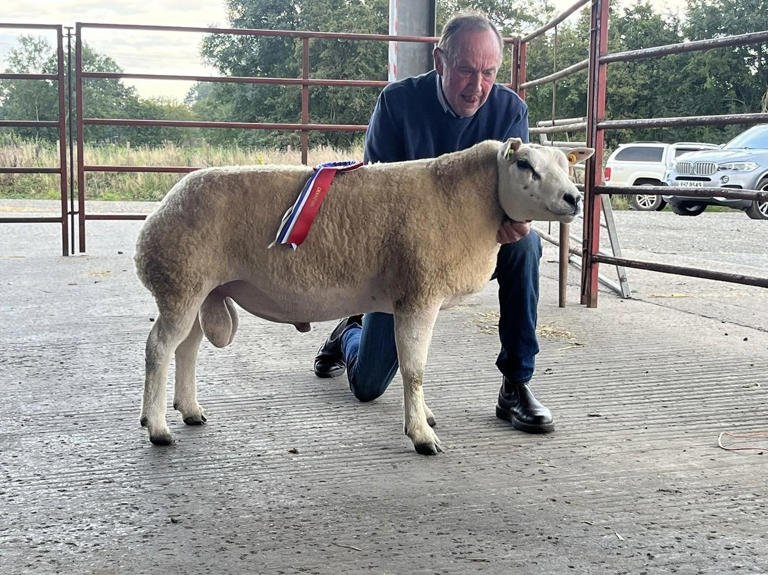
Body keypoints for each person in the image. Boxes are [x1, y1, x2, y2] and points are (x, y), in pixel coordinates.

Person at [313, 12, 554, 434]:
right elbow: (376, 199)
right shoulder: (396, 103)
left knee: (525, 246)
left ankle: (516, 383)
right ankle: (349, 333)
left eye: (489, 73)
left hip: (474, 242)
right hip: (406, 257)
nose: (477, 87)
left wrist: (515, 221)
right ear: (440, 60)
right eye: (465, 70)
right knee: (367, 386)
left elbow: (518, 192)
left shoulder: (510, 110)